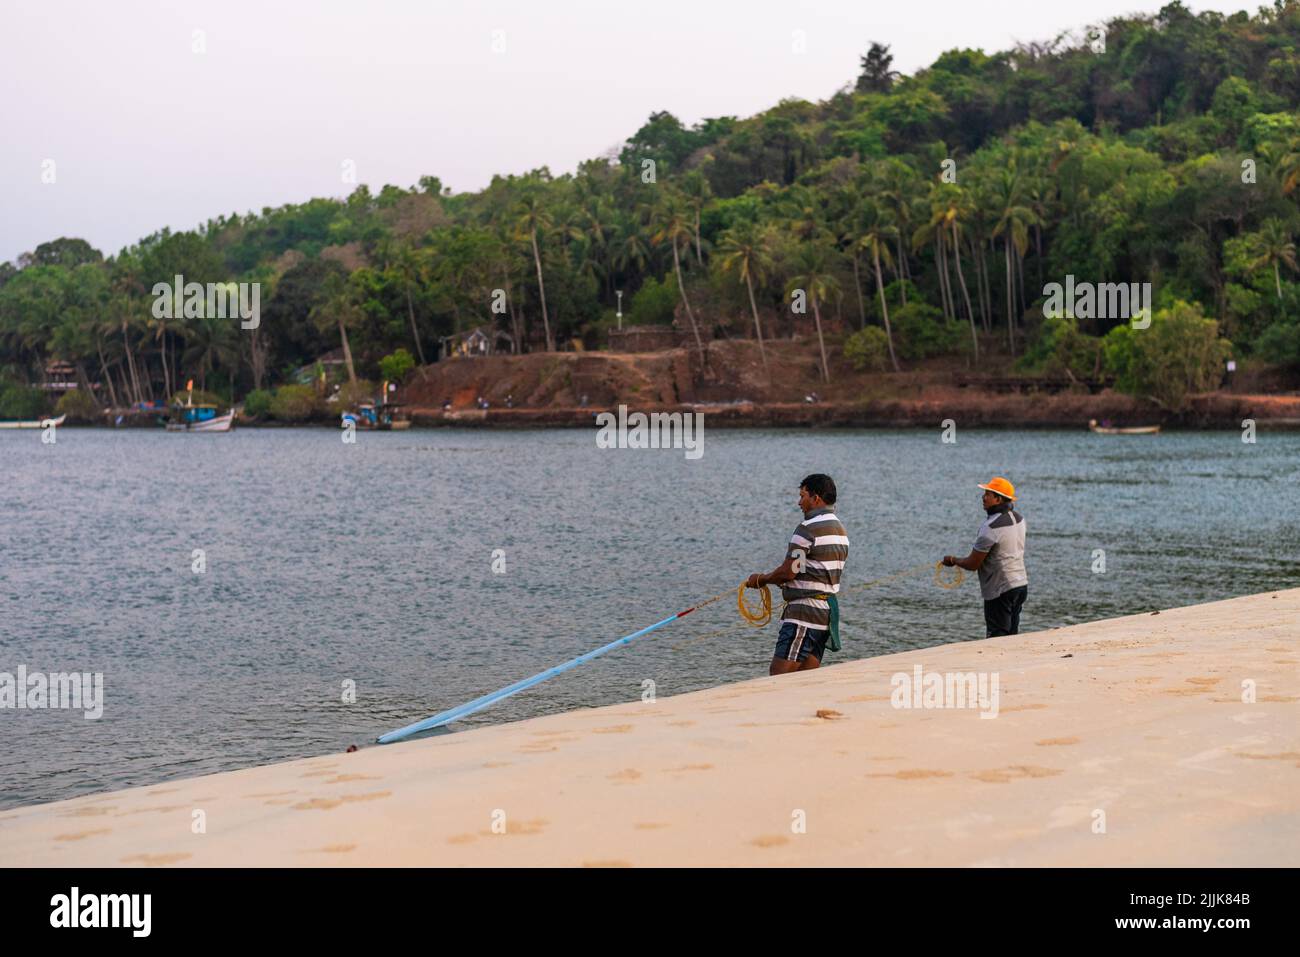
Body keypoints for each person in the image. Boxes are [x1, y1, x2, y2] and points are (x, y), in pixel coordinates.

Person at [746, 474, 849, 675]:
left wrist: (761, 579)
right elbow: (805, 570)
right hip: (825, 615)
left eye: (803, 496)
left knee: (779, 676)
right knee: (805, 678)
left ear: (816, 498)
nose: (799, 502)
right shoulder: (840, 530)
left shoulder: (807, 529)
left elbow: (789, 572)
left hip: (804, 615)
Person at [941, 476, 1028, 637]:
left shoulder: (990, 528)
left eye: (988, 494)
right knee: (1012, 636)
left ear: (998, 499)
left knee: (997, 639)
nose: (983, 497)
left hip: (1000, 589)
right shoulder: (1019, 519)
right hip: (1021, 584)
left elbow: (973, 564)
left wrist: (953, 560)